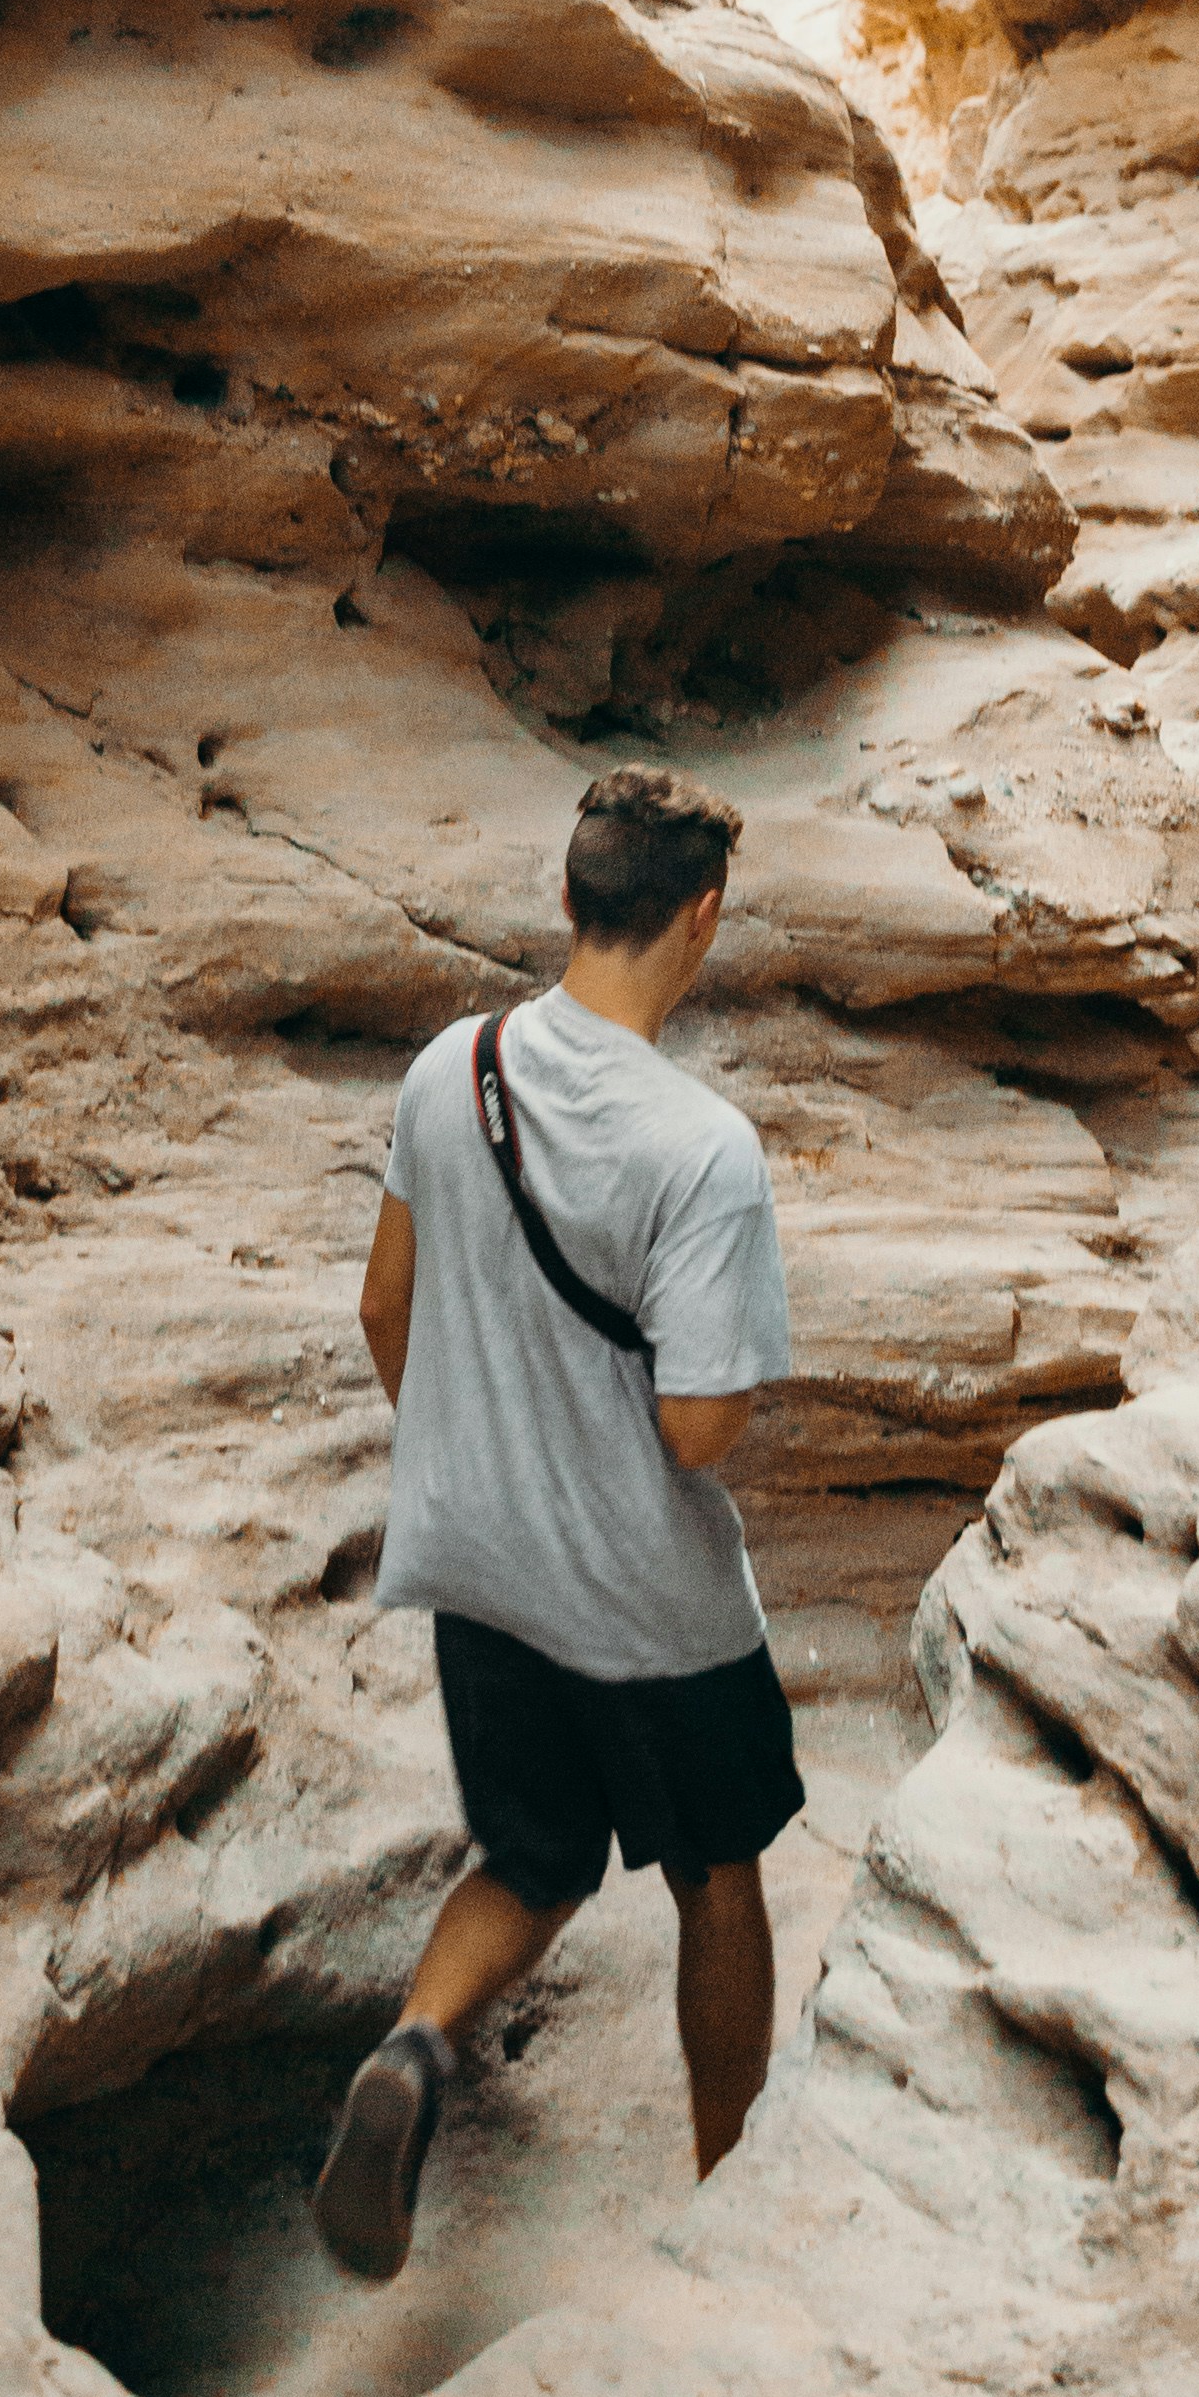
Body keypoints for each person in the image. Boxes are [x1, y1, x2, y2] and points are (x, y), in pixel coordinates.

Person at [313, 762, 800, 2283]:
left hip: (481, 1566)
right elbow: (697, 1426)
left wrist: (482, 1464)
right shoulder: (701, 1147)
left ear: (573, 899)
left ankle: (410, 2050)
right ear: (701, 917)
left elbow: (384, 1305)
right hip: (649, 1604)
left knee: (531, 1859)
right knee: (719, 1875)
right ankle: (729, 2191)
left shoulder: (447, 1070)